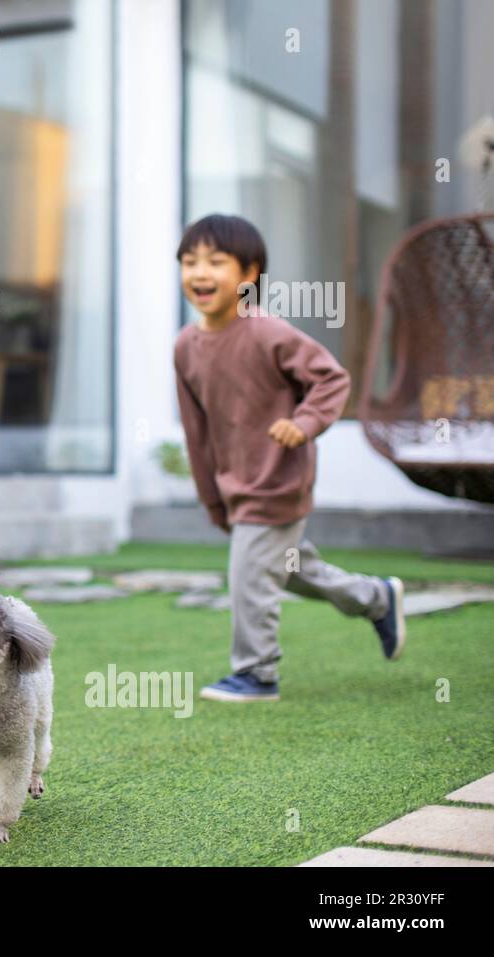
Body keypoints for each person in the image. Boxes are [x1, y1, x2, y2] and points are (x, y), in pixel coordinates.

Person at [172, 213, 405, 703]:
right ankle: (376, 598)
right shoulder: (186, 348)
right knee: (291, 568)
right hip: (235, 485)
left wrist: (303, 424)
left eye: (216, 261)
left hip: (278, 480)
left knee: (250, 573)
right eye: (190, 262)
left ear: (250, 273)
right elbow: (197, 432)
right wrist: (212, 499)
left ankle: (257, 673)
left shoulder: (267, 333)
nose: (200, 273)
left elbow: (332, 379)